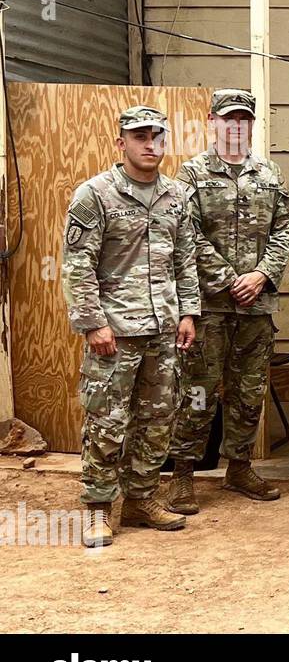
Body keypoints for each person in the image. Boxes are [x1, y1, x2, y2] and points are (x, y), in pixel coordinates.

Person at [62, 106, 200, 546]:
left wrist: (188, 312)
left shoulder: (176, 196)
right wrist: (92, 323)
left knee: (159, 419)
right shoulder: (95, 195)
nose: (150, 144)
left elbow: (185, 259)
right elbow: (77, 266)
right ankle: (98, 507)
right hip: (114, 332)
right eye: (140, 136)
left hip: (163, 328)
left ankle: (141, 498)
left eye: (157, 136)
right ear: (121, 143)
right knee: (107, 420)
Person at [165, 89, 289, 514]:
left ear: (252, 124)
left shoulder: (270, 173)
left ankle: (239, 467)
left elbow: (284, 230)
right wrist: (228, 278)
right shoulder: (192, 175)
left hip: (256, 306)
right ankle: (184, 473)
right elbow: (187, 234)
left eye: (244, 119)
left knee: (248, 390)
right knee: (198, 390)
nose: (236, 125)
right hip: (210, 306)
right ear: (212, 121)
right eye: (228, 118)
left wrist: (262, 275)